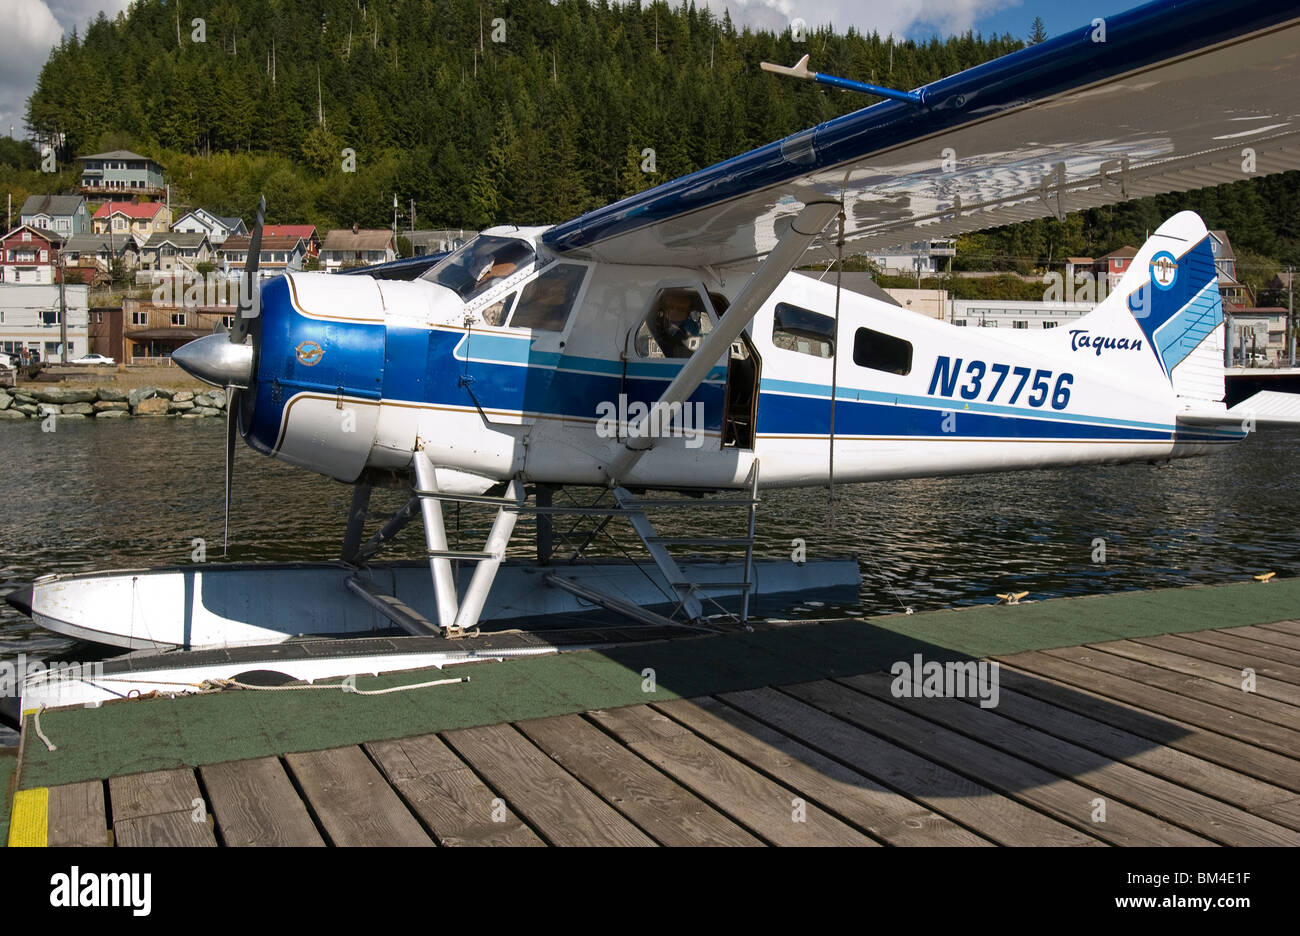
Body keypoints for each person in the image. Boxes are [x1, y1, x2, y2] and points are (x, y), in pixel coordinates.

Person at [656, 292, 702, 358]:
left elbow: (692, 340)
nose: (675, 311)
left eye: (681, 309)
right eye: (671, 308)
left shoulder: (691, 326)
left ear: (687, 311)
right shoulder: (661, 325)